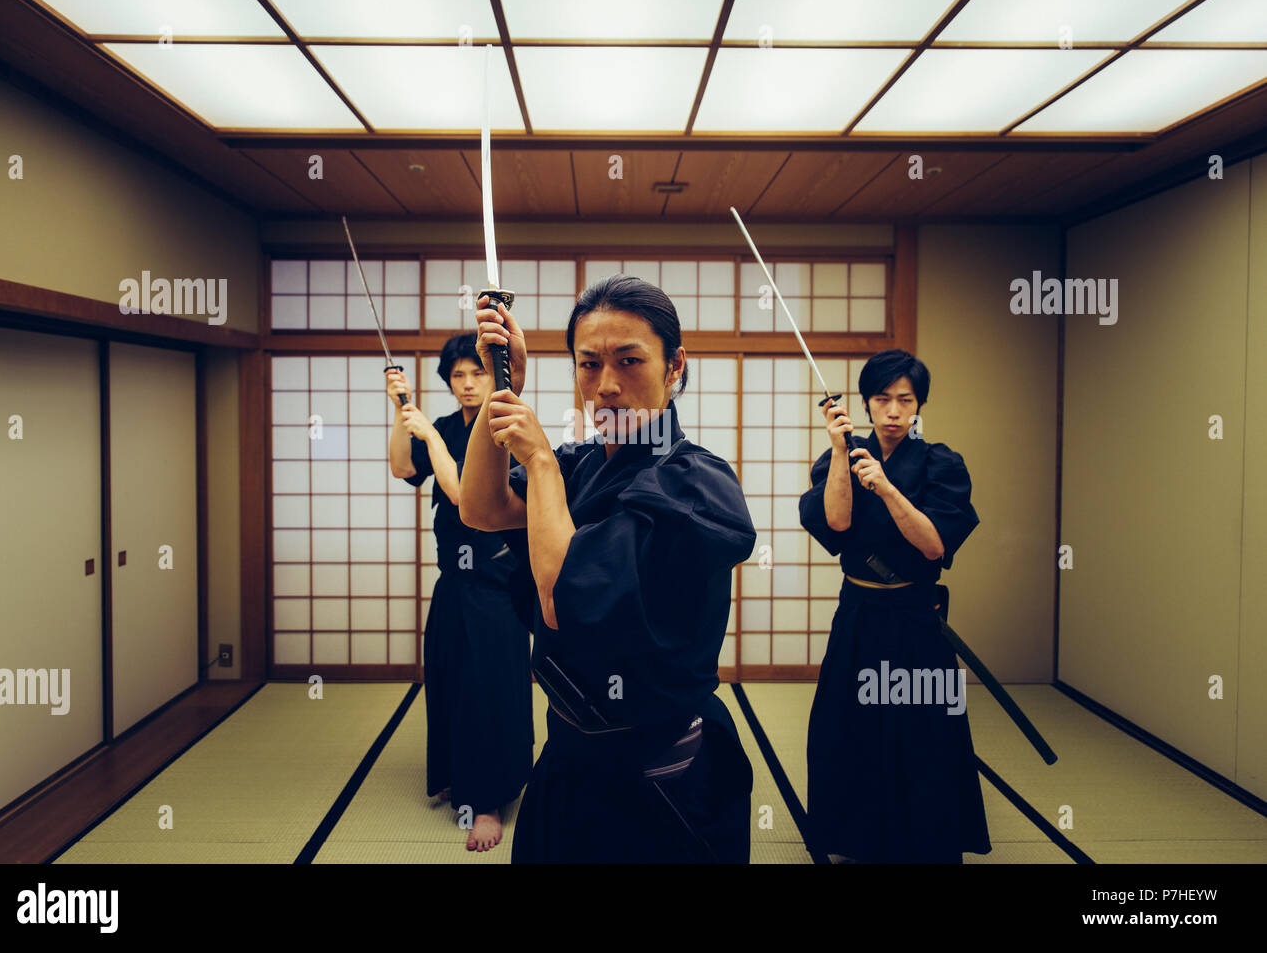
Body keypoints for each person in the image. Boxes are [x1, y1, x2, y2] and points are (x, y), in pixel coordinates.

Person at [459, 274, 756, 863]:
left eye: (629, 360)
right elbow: (483, 508)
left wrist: (541, 462)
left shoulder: (697, 483)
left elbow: (564, 600)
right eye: (588, 364)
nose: (607, 386)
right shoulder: (581, 463)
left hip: (660, 767)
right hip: (569, 749)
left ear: (675, 367)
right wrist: (503, 389)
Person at [799, 348, 991, 864]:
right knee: (845, 728)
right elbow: (835, 524)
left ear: (919, 405)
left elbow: (934, 546)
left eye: (904, 400)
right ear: (865, 403)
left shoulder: (941, 463)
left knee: (923, 733)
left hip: (915, 620)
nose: (892, 410)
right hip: (859, 614)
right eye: (882, 399)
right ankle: (851, 841)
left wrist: (885, 489)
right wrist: (841, 453)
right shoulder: (844, 455)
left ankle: (926, 843)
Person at [387, 333, 533, 853]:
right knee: (448, 680)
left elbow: (463, 495)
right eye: (458, 377)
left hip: (498, 582)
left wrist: (429, 435)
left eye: (478, 374)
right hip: (455, 579)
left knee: (487, 689)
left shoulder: (505, 428)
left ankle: (488, 801)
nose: (468, 385)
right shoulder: (446, 427)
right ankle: (456, 776)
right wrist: (401, 413)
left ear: (495, 377)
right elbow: (403, 467)